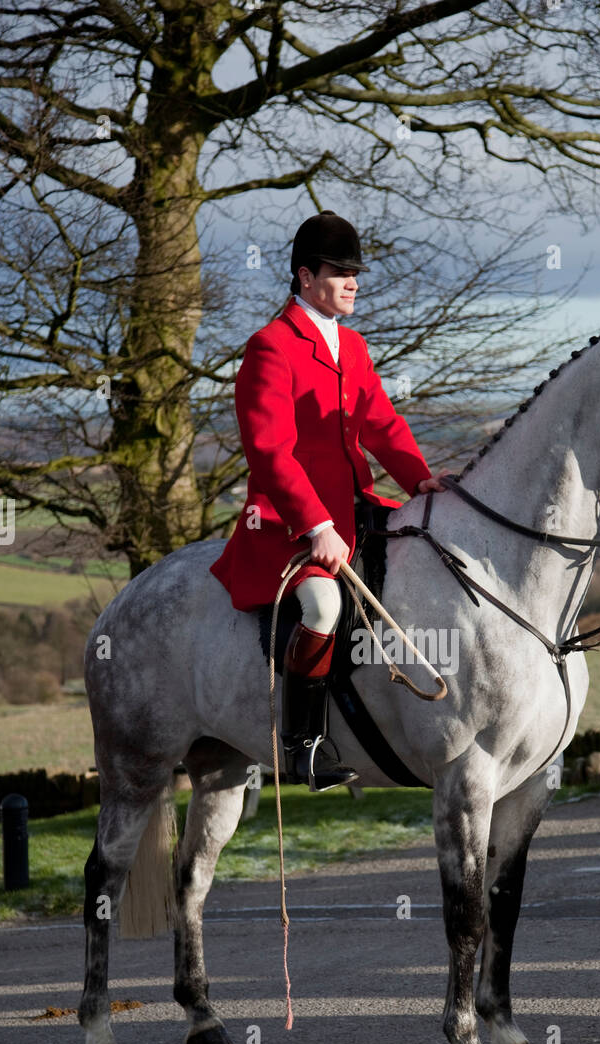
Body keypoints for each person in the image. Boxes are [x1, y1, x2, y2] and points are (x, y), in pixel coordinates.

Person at [210, 210, 447, 790]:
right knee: (321, 606)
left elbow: (383, 424)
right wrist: (314, 523)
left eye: (355, 272)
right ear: (305, 276)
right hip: (288, 524)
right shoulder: (270, 347)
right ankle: (303, 745)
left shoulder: (354, 346)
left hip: (355, 506)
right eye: (340, 272)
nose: (353, 282)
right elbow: (269, 452)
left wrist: (419, 480)